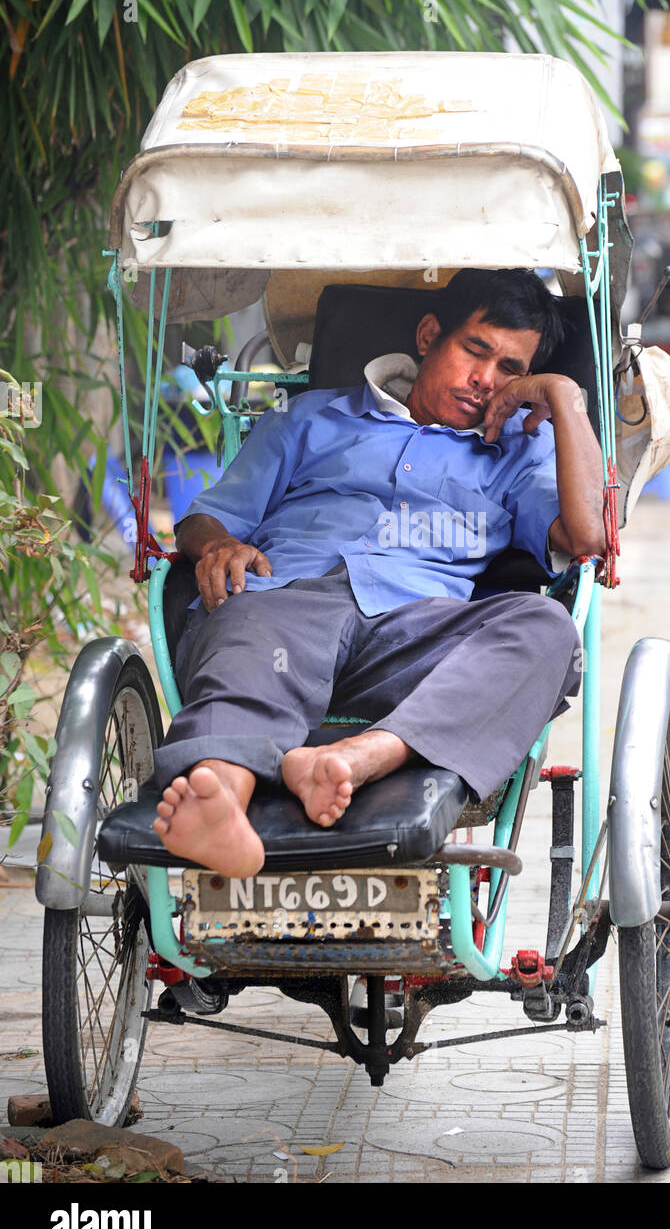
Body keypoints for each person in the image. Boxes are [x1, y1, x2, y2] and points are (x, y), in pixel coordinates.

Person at [151, 269, 605, 878]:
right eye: (476, 350)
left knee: (547, 628)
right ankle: (221, 799)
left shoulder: (519, 452)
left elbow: (587, 539)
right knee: (244, 620)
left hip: (416, 639)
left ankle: (360, 757)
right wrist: (221, 545)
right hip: (287, 602)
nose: (485, 380)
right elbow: (205, 519)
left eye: (510, 370)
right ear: (428, 336)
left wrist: (567, 400)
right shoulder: (311, 418)